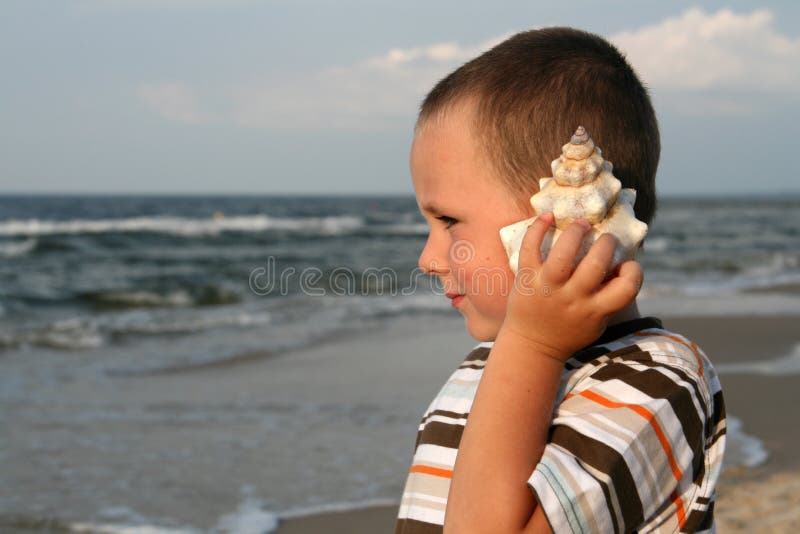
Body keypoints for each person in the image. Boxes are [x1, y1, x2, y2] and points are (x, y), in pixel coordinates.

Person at [395, 27, 726, 534]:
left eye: (448, 222)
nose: (428, 258)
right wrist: (525, 349)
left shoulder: (657, 381)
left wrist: (531, 345)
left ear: (572, 225)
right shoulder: (482, 373)